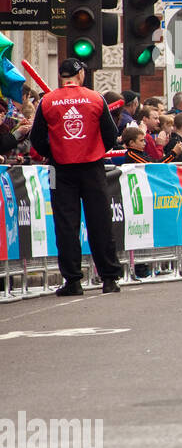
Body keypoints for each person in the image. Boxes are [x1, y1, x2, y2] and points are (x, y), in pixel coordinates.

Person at [28, 59, 124, 296]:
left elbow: (37, 137)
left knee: (66, 225)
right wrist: (95, 149)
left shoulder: (48, 101)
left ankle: (73, 280)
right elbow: (111, 135)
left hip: (61, 170)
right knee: (100, 222)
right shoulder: (95, 98)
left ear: (62, 76)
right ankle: (109, 278)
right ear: (80, 74)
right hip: (92, 168)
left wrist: (54, 152)